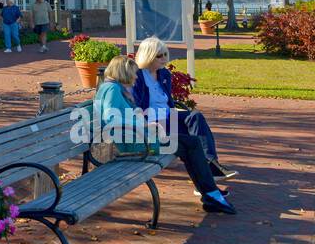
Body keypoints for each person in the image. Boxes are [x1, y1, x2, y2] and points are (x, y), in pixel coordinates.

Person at [95, 57, 236, 215]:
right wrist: (143, 125)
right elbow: (110, 119)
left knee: (190, 144)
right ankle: (211, 195)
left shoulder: (115, 88)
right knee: (191, 144)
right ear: (124, 72)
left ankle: (210, 195)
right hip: (135, 144)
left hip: (140, 138)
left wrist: (145, 124)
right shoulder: (112, 89)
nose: (136, 77)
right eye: (134, 74)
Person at [133, 36, 236, 179]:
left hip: (169, 117)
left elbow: (168, 101)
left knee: (195, 117)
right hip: (153, 124)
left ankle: (210, 163)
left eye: (165, 54)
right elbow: (135, 105)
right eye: (159, 56)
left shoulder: (164, 74)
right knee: (192, 143)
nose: (164, 59)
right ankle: (208, 173)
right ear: (148, 55)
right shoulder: (137, 77)